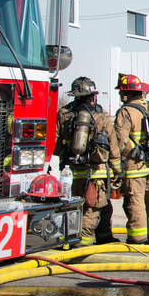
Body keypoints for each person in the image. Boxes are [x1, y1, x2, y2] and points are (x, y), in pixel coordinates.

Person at [55, 76, 120, 245]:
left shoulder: (63, 114)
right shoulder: (100, 115)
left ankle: (100, 236)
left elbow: (55, 142)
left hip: (71, 171)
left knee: (78, 206)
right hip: (95, 172)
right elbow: (112, 144)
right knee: (92, 208)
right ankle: (82, 243)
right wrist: (118, 169)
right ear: (92, 96)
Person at [113, 73, 149, 244]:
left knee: (135, 200)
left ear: (126, 94)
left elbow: (121, 141)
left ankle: (137, 237)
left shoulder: (126, 111)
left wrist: (134, 153)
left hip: (135, 165)